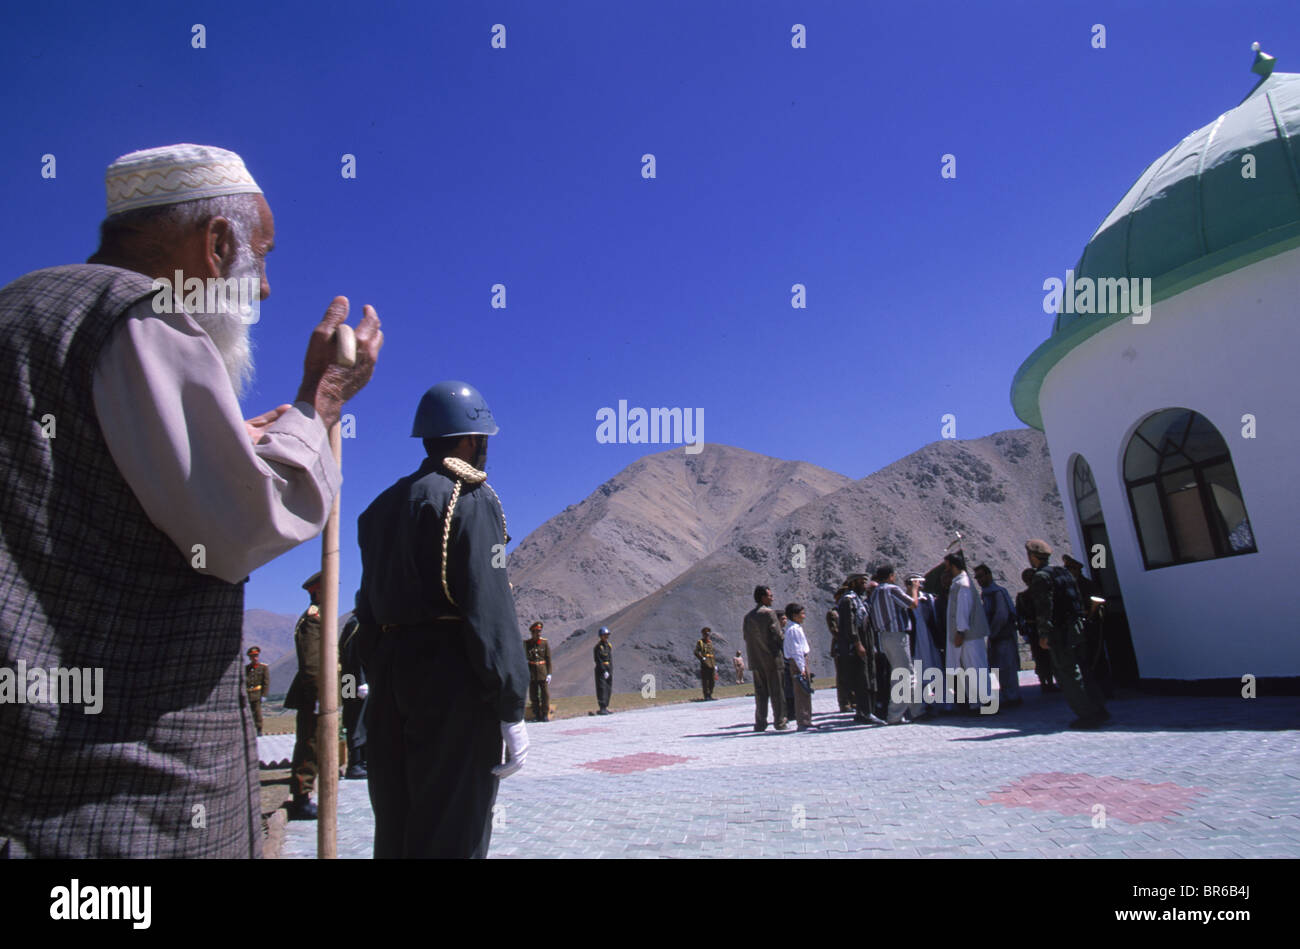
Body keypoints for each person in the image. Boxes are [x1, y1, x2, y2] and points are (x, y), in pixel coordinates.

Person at [0, 144, 381, 858]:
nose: (265, 288)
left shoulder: (24, 308)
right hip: (123, 816)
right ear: (217, 243)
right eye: (261, 258)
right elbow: (238, 525)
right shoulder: (143, 315)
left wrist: (237, 439)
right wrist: (318, 403)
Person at [355, 380, 529, 858]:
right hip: (452, 681)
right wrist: (511, 704)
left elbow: (364, 612)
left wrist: (376, 677)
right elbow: (488, 607)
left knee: (397, 825)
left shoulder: (378, 510)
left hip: (391, 681)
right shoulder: (470, 498)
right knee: (453, 829)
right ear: (474, 439)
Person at [1026, 540, 1109, 729]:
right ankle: (1099, 709)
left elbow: (1044, 607)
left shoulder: (1041, 577)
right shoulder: (1063, 572)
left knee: (1068, 674)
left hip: (1060, 632)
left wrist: (1044, 633)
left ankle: (1087, 715)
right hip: (1076, 628)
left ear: (1032, 556)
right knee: (1085, 670)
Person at [285, 573, 324, 820]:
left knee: (314, 742)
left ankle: (305, 793)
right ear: (319, 591)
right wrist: (320, 696)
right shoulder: (314, 619)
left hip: (318, 692)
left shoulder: (319, 617)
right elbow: (311, 663)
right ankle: (301, 797)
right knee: (310, 743)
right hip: (314, 692)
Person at [868, 566, 924, 724]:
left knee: (903, 673)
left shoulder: (875, 593)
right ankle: (895, 715)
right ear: (891, 576)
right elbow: (912, 604)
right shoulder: (892, 589)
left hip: (884, 637)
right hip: (897, 635)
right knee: (905, 676)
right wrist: (914, 589)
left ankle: (917, 710)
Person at [942, 553, 991, 713]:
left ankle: (988, 703)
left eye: (947, 565)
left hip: (969, 637)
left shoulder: (963, 584)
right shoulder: (958, 583)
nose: (946, 569)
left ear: (953, 565)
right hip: (964, 637)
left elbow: (963, 609)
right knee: (968, 670)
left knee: (977, 668)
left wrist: (960, 631)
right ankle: (976, 704)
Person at [837, 574, 886, 726]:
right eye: (861, 582)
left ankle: (865, 711)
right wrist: (857, 643)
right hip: (857, 645)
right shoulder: (848, 600)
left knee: (869, 676)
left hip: (867, 642)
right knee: (862, 678)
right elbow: (850, 625)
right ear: (854, 583)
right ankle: (865, 712)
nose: (864, 585)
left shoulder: (859, 600)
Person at [1063, 554, 1112, 697]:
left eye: (1070, 569)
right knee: (1084, 660)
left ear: (1076, 570)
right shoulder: (1070, 586)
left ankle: (1104, 690)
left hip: (1092, 626)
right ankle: (1091, 691)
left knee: (1097, 658)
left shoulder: (1087, 585)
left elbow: (1097, 604)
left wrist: (1088, 613)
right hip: (1079, 627)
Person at [974, 564, 1022, 708]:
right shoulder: (986, 594)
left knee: (1008, 667)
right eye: (977, 577)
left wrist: (993, 632)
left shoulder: (997, 593)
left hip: (1003, 635)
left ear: (989, 575)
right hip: (995, 637)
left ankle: (1013, 696)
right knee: (1000, 668)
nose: (979, 580)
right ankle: (1008, 695)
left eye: (981, 576)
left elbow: (1001, 616)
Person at [742, 586, 788, 731]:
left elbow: (746, 637)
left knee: (760, 693)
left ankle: (760, 722)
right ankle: (780, 721)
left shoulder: (748, 616)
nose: (772, 598)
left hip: (756, 660)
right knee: (777, 692)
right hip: (772, 659)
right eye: (770, 596)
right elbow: (777, 635)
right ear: (762, 597)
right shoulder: (769, 614)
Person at [339, 607, 368, 779]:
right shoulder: (356, 624)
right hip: (352, 679)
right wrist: (361, 681)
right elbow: (353, 656)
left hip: (349, 679)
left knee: (354, 717)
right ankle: (355, 763)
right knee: (356, 718)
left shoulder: (353, 623)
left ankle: (360, 760)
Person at [1017, 569, 1057, 692]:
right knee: (1043, 656)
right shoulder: (1026, 596)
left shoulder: (1023, 596)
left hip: (1035, 630)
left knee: (1042, 656)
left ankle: (1046, 682)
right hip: (1037, 629)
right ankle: (1047, 682)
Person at [908, 575, 944, 707]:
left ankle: (940, 702)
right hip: (916, 641)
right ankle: (922, 704)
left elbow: (934, 618)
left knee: (934, 668)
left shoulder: (928, 599)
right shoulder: (907, 600)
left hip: (929, 638)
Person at [782, 604, 817, 731]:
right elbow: (797, 651)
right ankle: (803, 721)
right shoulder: (794, 630)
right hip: (798, 662)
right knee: (801, 692)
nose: (804, 616)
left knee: (804, 691)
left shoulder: (794, 628)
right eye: (802, 614)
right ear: (794, 615)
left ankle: (806, 719)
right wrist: (802, 668)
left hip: (799, 661)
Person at [827, 587, 853, 712]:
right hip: (840, 647)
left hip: (850, 646)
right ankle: (844, 703)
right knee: (842, 676)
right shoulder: (833, 613)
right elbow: (835, 631)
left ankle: (854, 701)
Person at [525, 621, 553, 721]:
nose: (539, 633)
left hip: (542, 672)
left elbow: (548, 659)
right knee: (534, 694)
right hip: (532, 672)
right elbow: (524, 659)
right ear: (532, 632)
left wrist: (549, 673)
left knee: (545, 694)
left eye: (540, 631)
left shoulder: (544, 643)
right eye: (537, 632)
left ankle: (545, 714)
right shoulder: (527, 644)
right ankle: (536, 714)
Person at [246, 647, 270, 737]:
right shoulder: (247, 668)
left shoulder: (263, 668)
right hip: (248, 694)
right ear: (250, 657)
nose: (255, 658)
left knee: (257, 712)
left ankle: (259, 729)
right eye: (252, 656)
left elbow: (266, 682)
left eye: (256, 656)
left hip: (257, 693)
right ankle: (249, 729)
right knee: (249, 713)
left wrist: (264, 695)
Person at [594, 627, 614, 714]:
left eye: (607, 635)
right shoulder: (598, 647)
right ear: (601, 636)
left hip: (608, 669)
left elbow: (610, 658)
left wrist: (610, 670)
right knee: (601, 688)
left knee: (608, 688)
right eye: (604, 635)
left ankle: (606, 706)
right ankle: (602, 707)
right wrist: (604, 670)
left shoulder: (609, 646)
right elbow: (598, 660)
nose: (606, 637)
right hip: (601, 670)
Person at [694, 628, 717, 700]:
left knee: (712, 680)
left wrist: (715, 664)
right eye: (705, 634)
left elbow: (712, 653)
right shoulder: (700, 642)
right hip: (705, 664)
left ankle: (710, 694)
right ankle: (706, 695)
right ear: (703, 634)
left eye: (708, 634)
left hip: (712, 663)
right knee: (705, 680)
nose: (707, 635)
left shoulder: (710, 643)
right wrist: (702, 658)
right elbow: (696, 652)